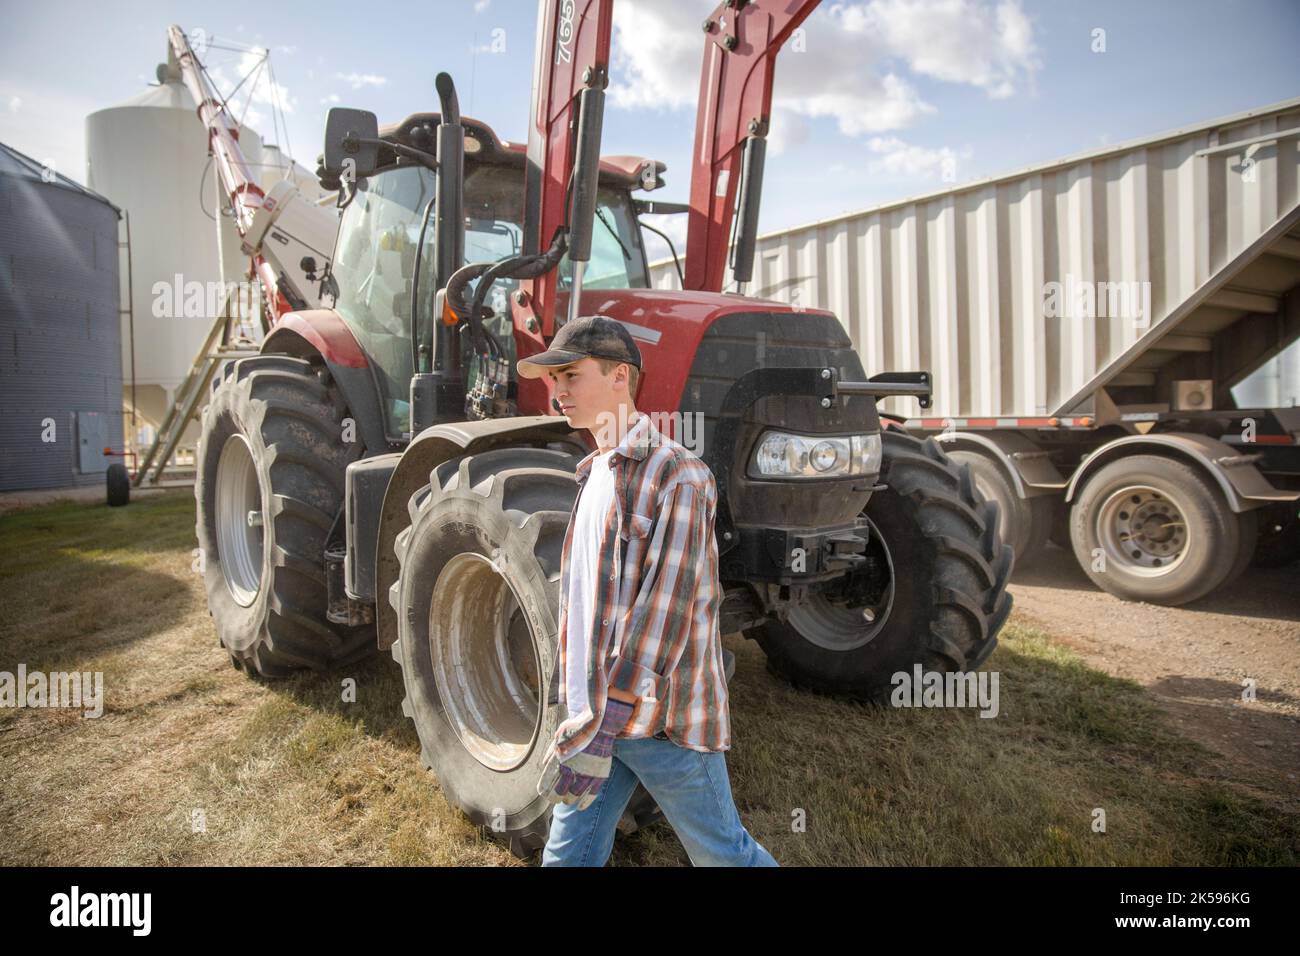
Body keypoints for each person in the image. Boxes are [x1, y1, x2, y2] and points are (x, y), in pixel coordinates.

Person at [515, 313, 777, 867]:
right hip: (596, 723)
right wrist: (580, 715)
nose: (556, 390)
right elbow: (583, 607)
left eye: (570, 375)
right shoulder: (590, 473)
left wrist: (609, 726)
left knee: (726, 856)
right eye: (553, 379)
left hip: (660, 727)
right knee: (567, 857)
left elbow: (667, 612)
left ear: (620, 378)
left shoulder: (679, 476)